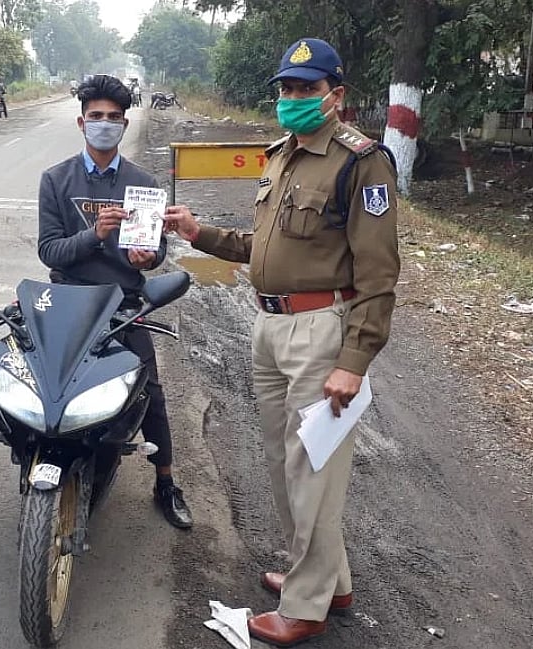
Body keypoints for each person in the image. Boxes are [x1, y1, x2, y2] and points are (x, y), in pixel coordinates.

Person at [162, 38, 399, 647]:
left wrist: (355, 359)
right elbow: (260, 247)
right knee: (284, 462)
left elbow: (378, 272)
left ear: (335, 96)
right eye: (287, 89)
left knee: (312, 467)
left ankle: (306, 605)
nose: (293, 99)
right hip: (267, 325)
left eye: (307, 89)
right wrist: (199, 232)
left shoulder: (360, 162)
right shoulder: (282, 156)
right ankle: (328, 579)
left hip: (322, 331)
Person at [36, 75, 193, 530]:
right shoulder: (56, 180)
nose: (104, 125)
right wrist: (94, 235)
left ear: (125, 123)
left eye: (113, 118)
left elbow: (156, 252)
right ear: (81, 122)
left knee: (150, 389)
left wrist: (149, 255)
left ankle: (166, 480)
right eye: (96, 117)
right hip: (66, 298)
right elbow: (49, 251)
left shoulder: (142, 184)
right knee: (44, 382)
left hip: (123, 303)